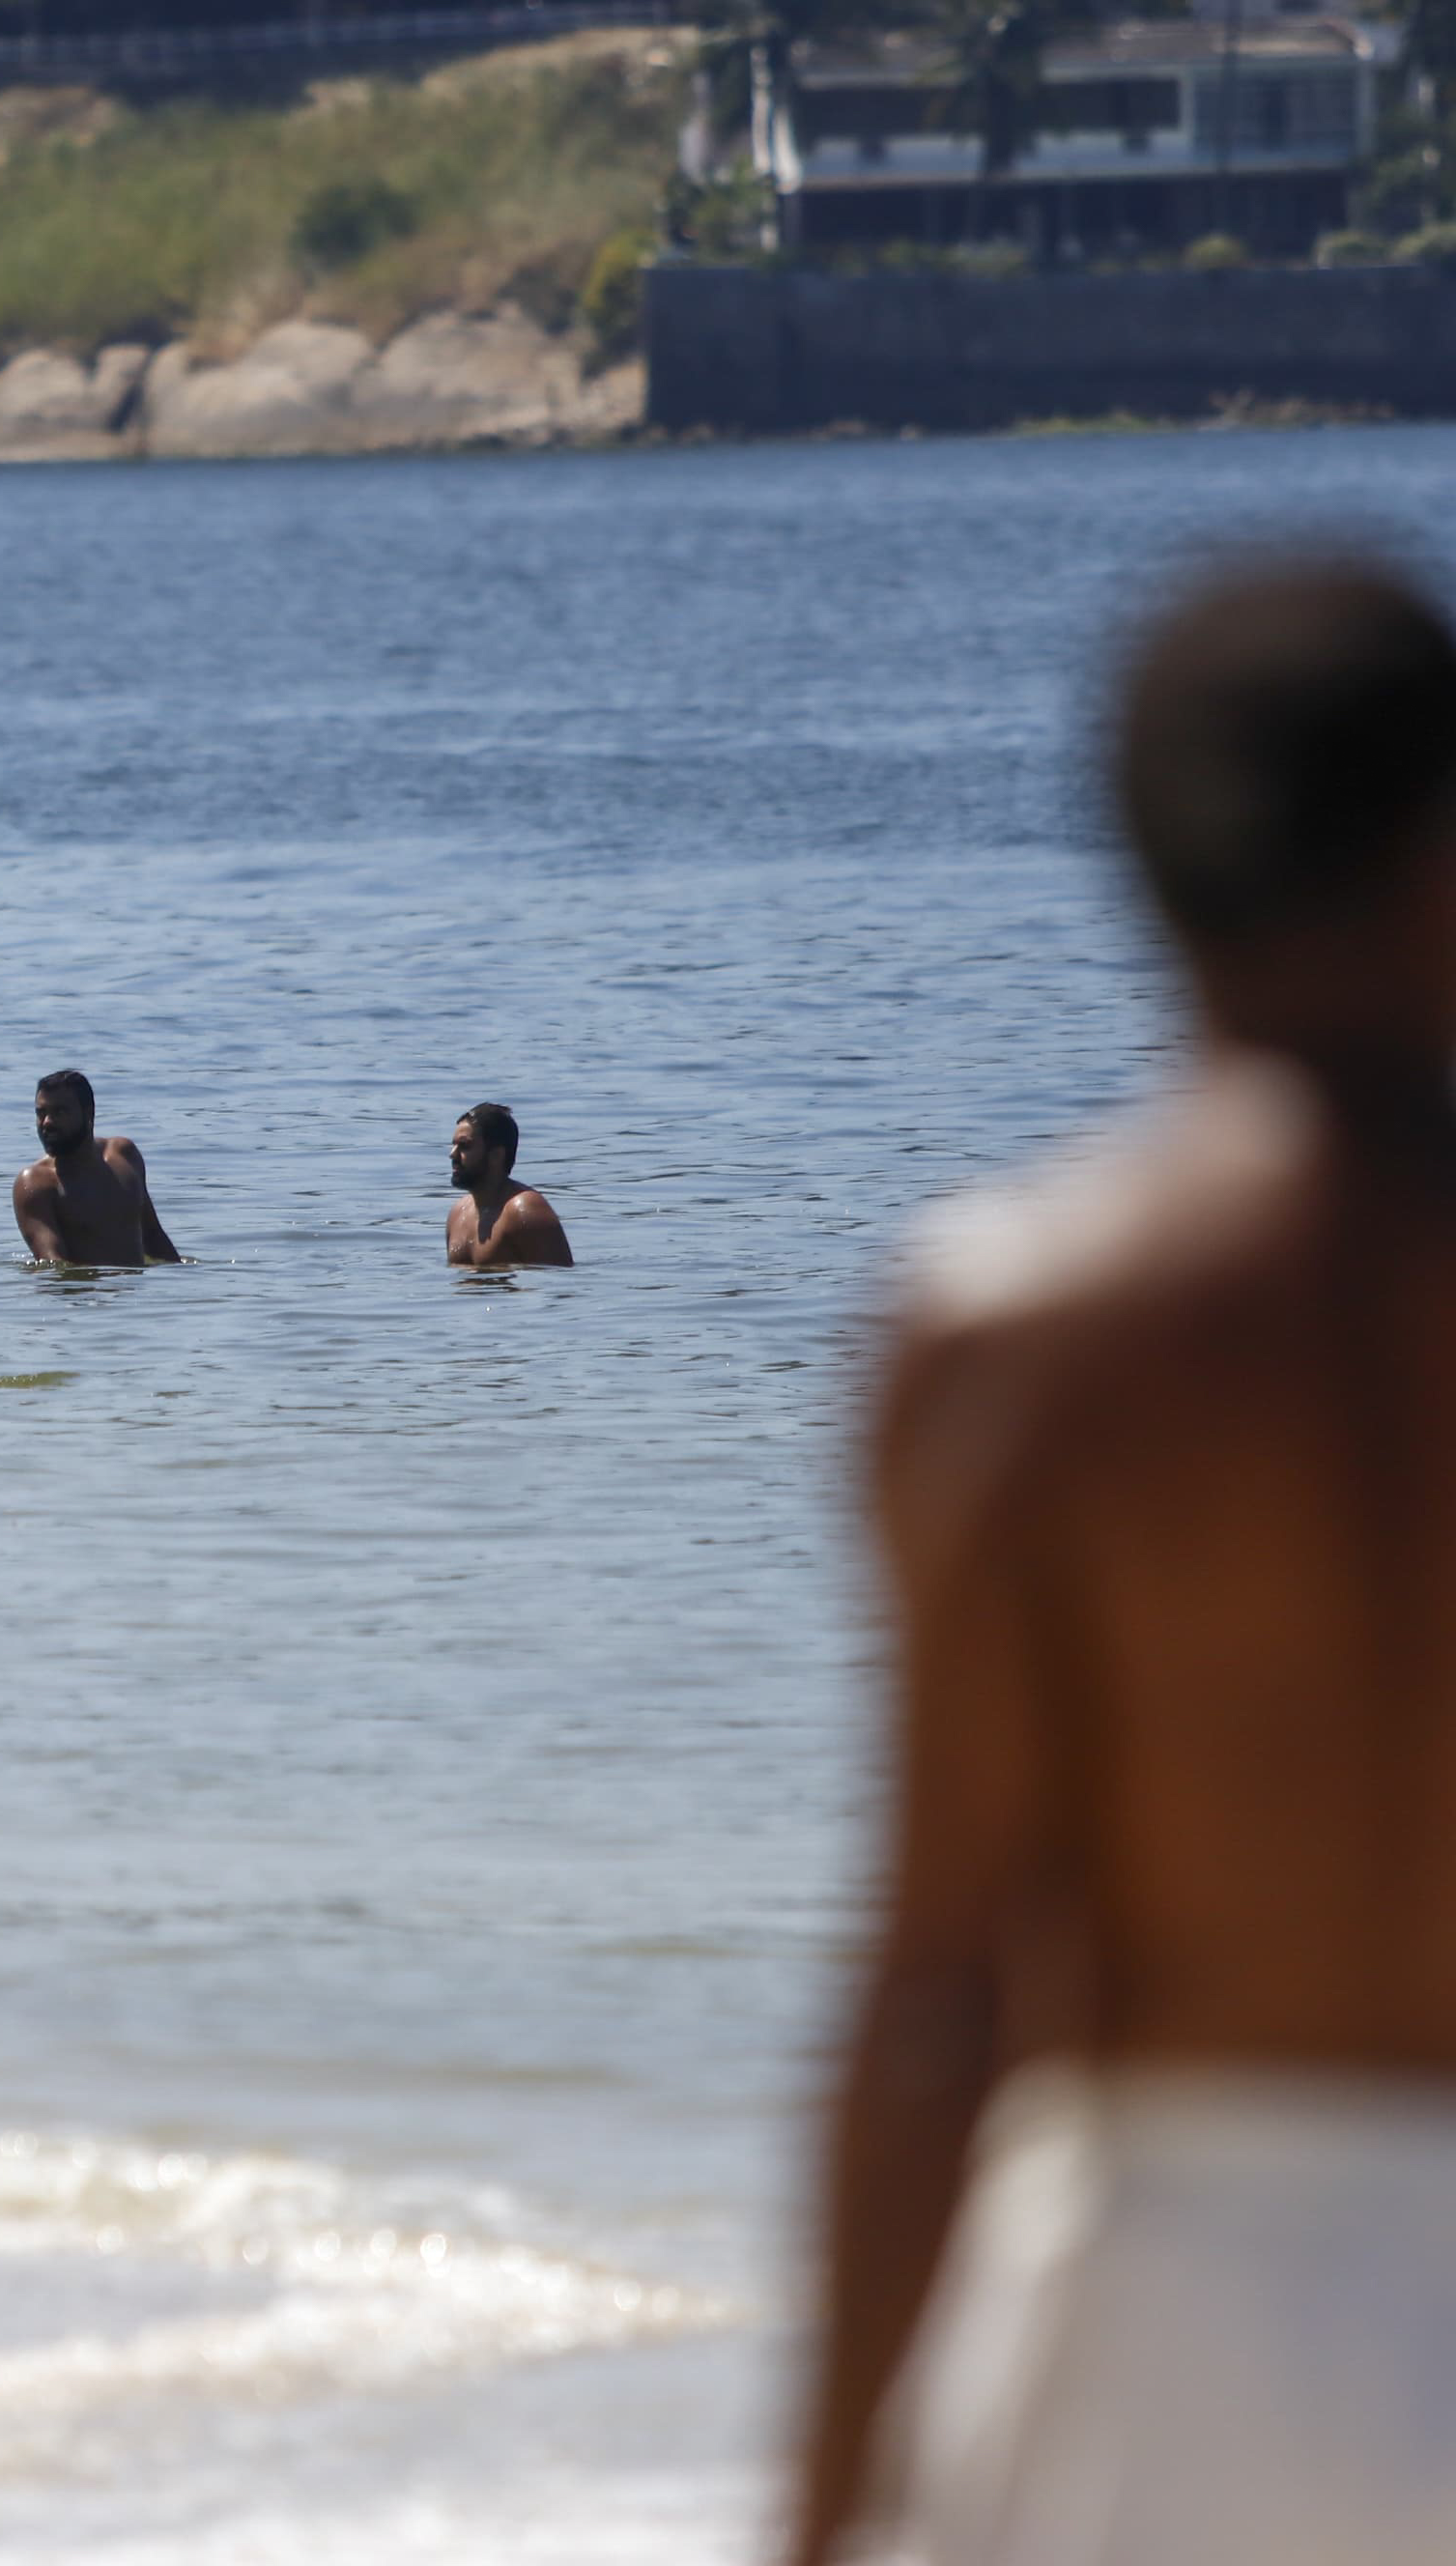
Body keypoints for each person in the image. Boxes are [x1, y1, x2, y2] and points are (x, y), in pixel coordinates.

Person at [791, 560, 1456, 2566]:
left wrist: (817, 2510)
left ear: (1147, 868)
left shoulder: (1024, 1329)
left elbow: (942, 1991)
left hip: (1175, 2303)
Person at [13, 1069, 180, 1266]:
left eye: (60, 1112)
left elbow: (153, 1236)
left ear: (88, 1113)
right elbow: (54, 1264)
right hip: (81, 1295)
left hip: (135, 1290)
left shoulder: (124, 1155)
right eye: (41, 1113)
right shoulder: (36, 1183)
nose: (47, 1122)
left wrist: (183, 1284)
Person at [443, 1102, 573, 1269]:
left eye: (465, 1146)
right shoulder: (457, 1214)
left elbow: (556, 1282)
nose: (452, 1154)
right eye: (453, 1145)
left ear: (496, 1155)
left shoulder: (525, 1210)